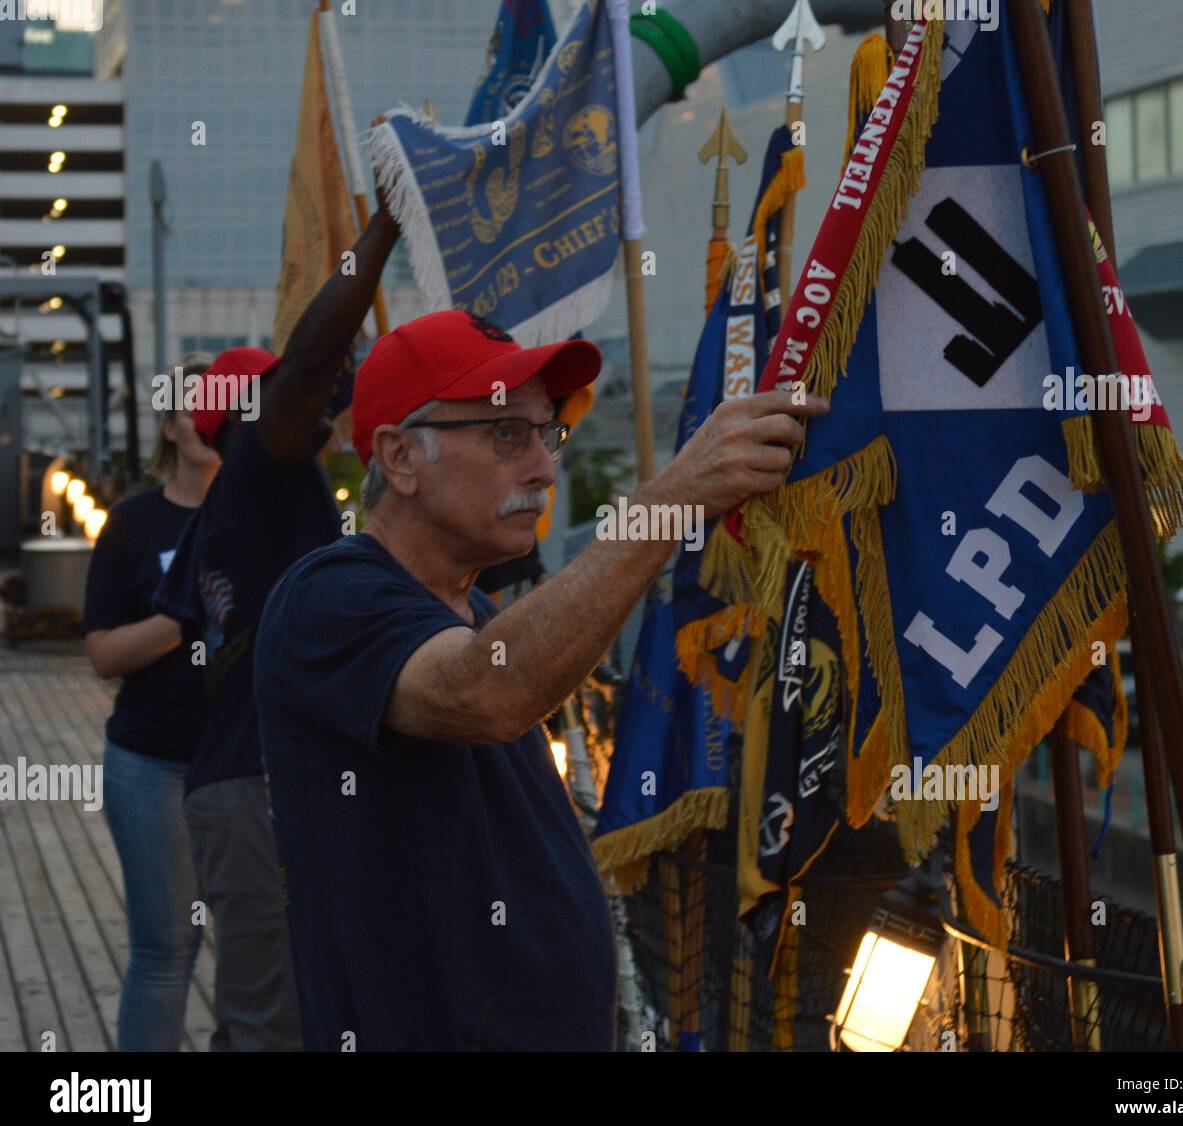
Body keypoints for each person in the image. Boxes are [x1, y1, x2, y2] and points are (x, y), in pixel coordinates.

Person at [254, 309, 827, 1050]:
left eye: (544, 433)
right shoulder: (328, 596)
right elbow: (486, 693)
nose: (543, 466)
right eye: (504, 434)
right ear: (399, 458)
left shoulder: (476, 610)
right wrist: (673, 497)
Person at [152, 200, 399, 1051]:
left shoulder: (240, 507)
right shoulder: (260, 470)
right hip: (254, 790)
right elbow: (313, 357)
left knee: (290, 1012)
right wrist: (380, 236)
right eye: (295, 383)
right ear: (256, 408)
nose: (325, 384)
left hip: (253, 784)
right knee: (272, 1027)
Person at [82, 356, 220, 1051]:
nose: (215, 416)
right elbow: (104, 654)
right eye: (198, 404)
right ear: (171, 424)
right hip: (151, 764)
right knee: (167, 950)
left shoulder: (268, 519)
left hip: (250, 765)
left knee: (270, 950)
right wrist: (180, 618)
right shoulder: (133, 524)